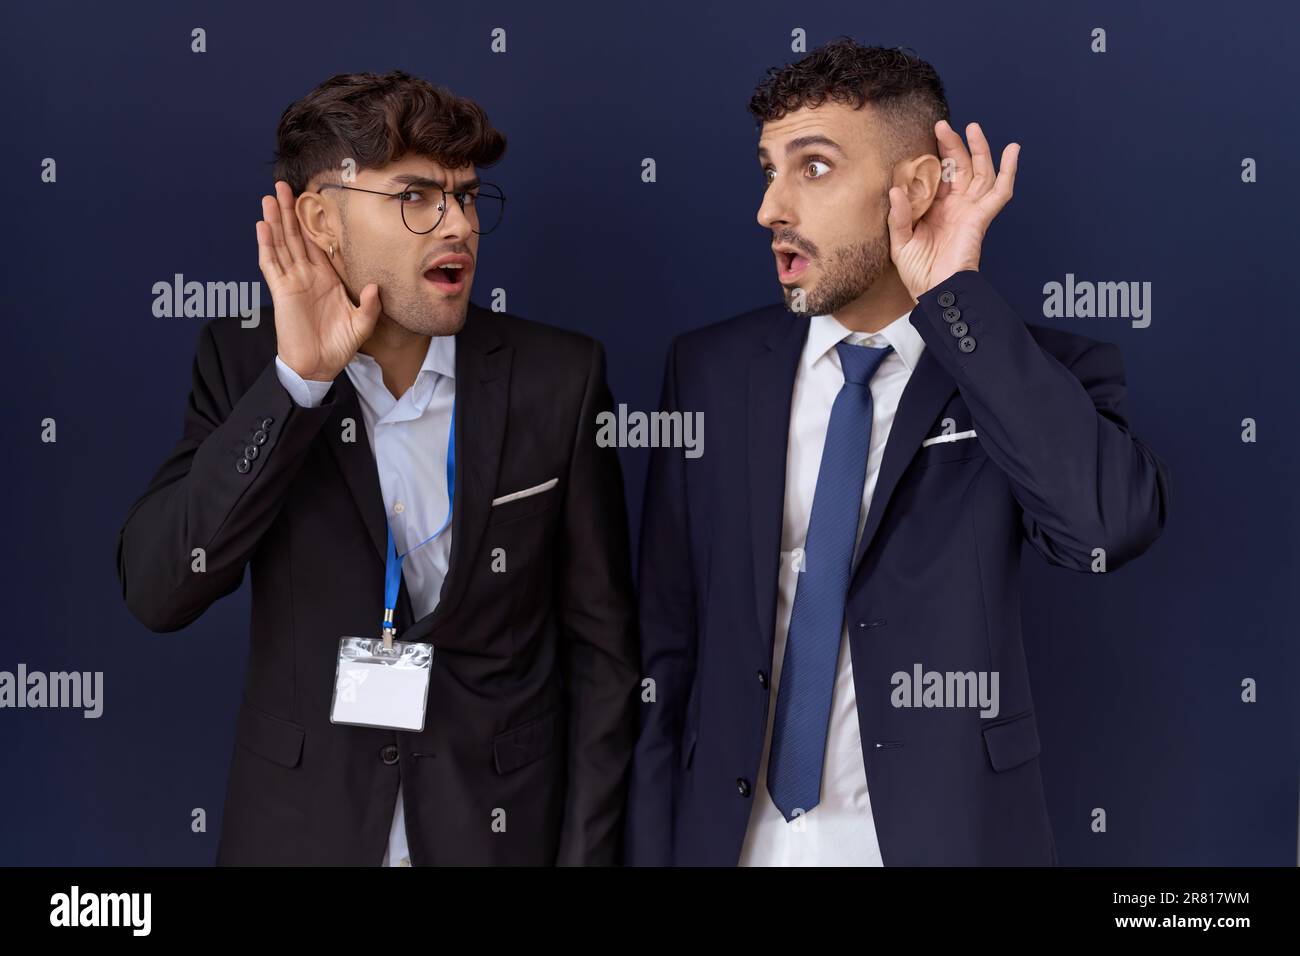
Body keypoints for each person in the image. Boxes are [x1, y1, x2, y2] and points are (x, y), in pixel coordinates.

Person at [625, 39, 1171, 865]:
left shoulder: (1027, 368)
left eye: (812, 168)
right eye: (766, 169)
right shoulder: (708, 369)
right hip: (732, 839)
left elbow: (1106, 528)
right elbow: (666, 639)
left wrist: (955, 296)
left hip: (941, 837)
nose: (770, 208)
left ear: (913, 187)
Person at [116, 70, 639, 865]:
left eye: (466, 197)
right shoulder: (247, 364)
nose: (457, 225)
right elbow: (161, 589)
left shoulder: (558, 377)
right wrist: (299, 385)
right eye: (417, 196)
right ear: (321, 220)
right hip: (301, 834)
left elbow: (604, 658)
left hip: (499, 830)